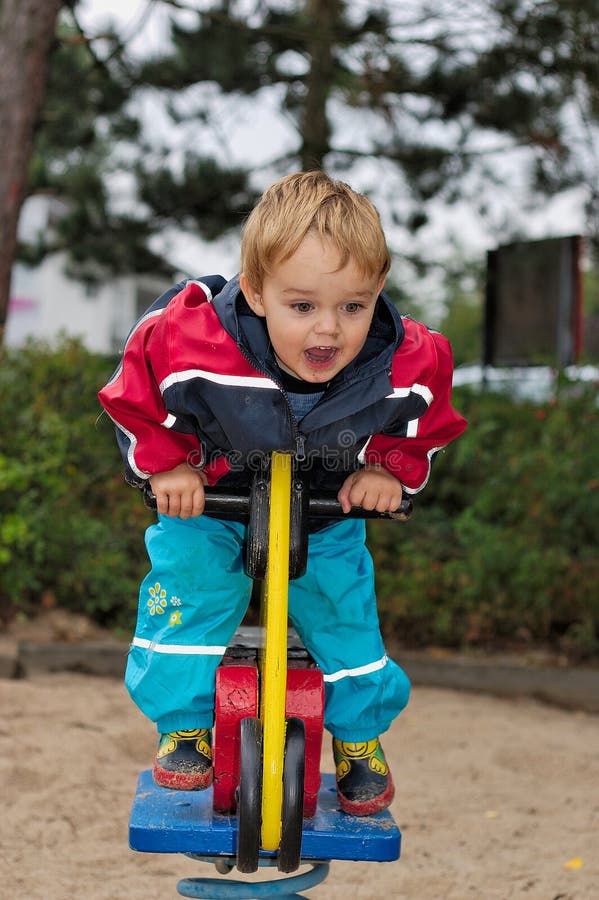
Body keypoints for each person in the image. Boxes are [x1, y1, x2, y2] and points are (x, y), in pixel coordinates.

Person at [99, 171, 466, 817]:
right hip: (211, 505)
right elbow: (134, 398)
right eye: (302, 307)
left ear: (377, 292)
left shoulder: (405, 361)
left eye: (352, 307)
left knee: (344, 613)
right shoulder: (191, 340)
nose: (327, 330)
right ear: (256, 291)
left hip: (324, 513)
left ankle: (357, 736)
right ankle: (183, 724)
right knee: (187, 592)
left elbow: (426, 424)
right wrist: (167, 467)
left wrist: (388, 469)